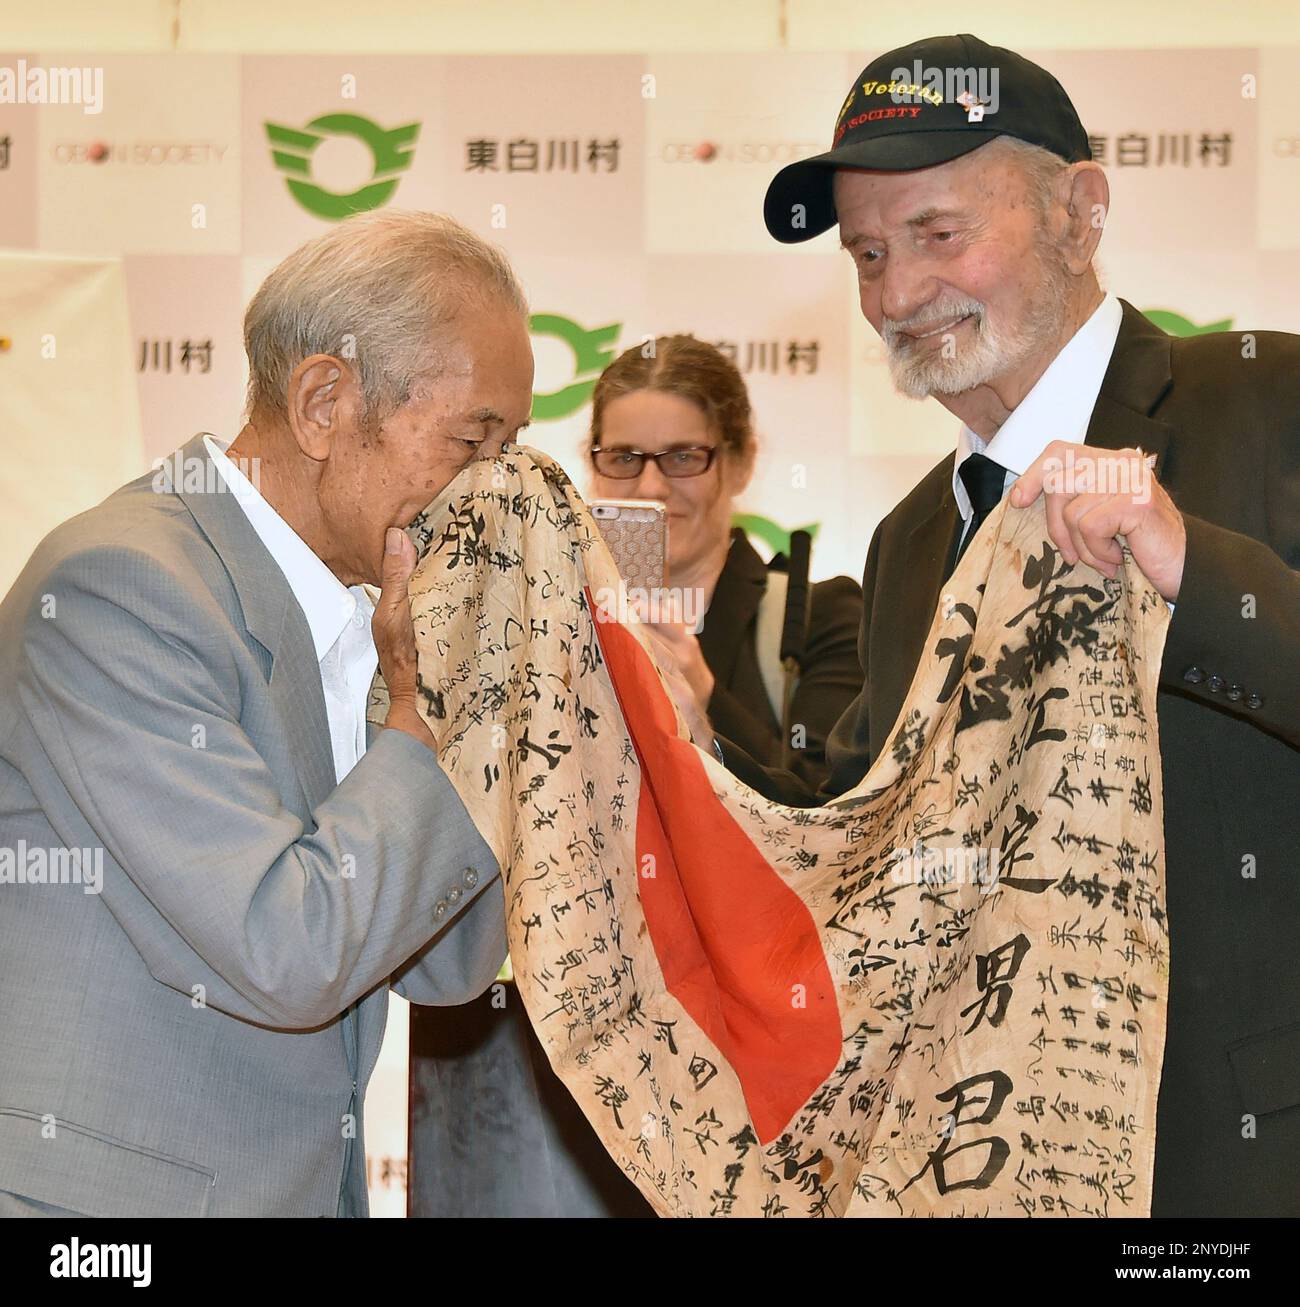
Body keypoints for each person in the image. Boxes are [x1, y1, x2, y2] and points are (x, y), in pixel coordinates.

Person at [723, 32, 1300, 1217]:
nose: (893, 294)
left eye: (937, 234)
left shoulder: (1272, 403)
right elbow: (864, 840)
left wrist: (1191, 562)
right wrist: (681, 736)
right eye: (867, 253)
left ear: (1078, 213)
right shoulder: (904, 544)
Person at [0, 210, 534, 1217]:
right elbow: (289, 951)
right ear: (325, 401)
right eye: (475, 439)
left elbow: (451, 963)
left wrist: (508, 720)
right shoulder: (122, 586)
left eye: (510, 445)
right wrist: (423, 721)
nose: (494, 485)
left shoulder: (360, 604)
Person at [589, 334, 863, 791]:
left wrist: (703, 698)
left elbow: (826, 813)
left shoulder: (821, 620)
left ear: (741, 462)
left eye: (683, 457)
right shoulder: (552, 620)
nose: (651, 487)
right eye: (624, 458)